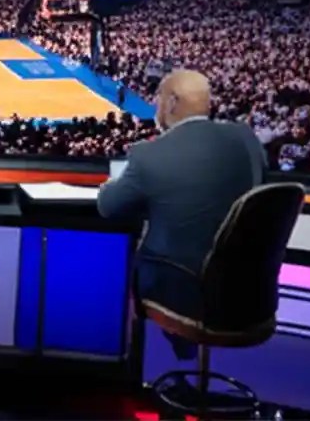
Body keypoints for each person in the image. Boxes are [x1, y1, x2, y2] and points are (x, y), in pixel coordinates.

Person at [97, 69, 267, 361]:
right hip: (251, 292)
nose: (156, 106)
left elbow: (109, 207)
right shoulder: (247, 139)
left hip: (184, 288)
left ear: (172, 102)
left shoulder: (150, 154)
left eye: (158, 99)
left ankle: (128, 365)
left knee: (119, 259)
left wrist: (113, 184)